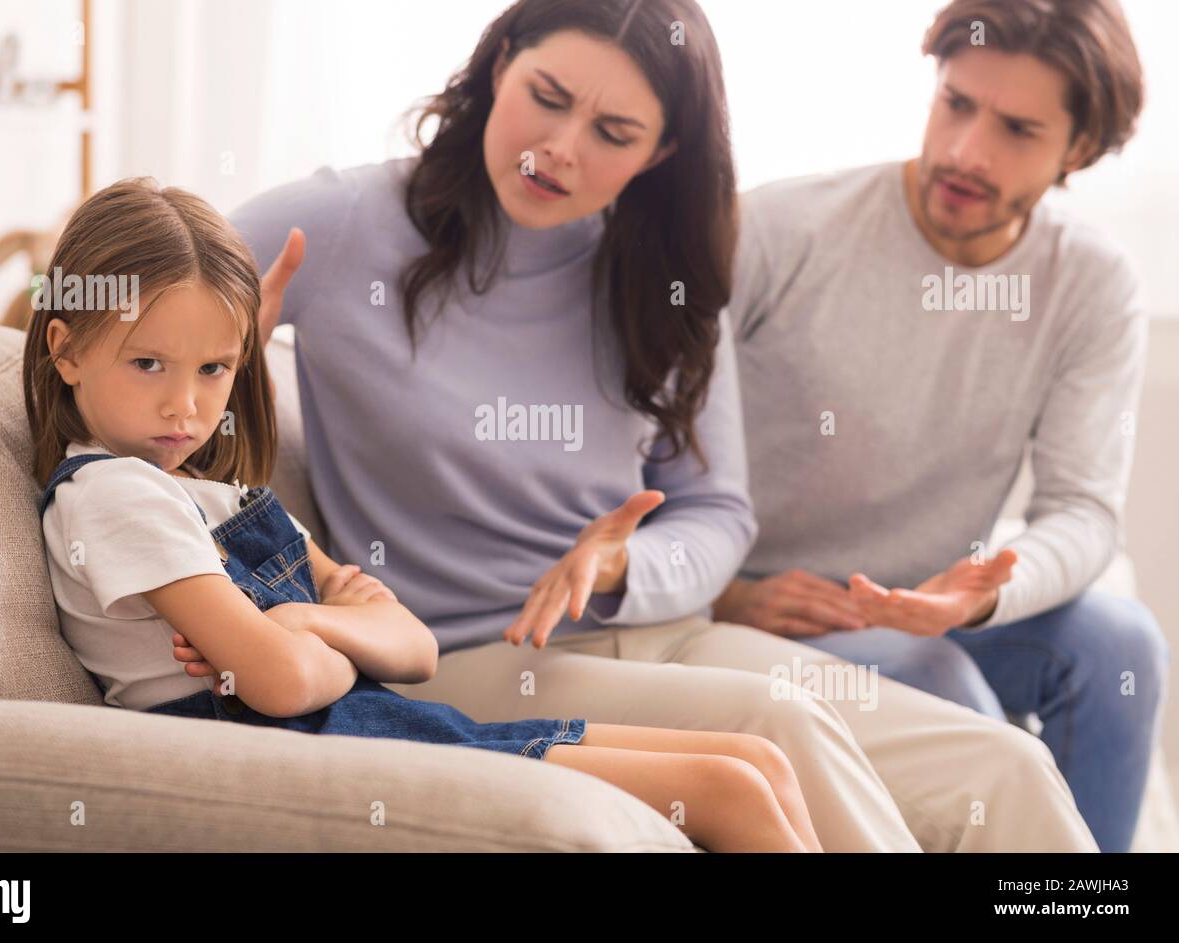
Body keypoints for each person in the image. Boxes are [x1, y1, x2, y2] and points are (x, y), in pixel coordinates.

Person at [231, 0, 1096, 851]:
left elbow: (718, 513)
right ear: (501, 66)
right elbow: (135, 298)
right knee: (776, 719)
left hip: (669, 634)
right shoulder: (343, 223)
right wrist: (218, 354)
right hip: (472, 653)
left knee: (1004, 764)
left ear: (661, 150)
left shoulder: (663, 276)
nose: (559, 149)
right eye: (547, 94)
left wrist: (622, 565)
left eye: (613, 133)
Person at [23, 177, 834, 853]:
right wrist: (322, 626)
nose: (186, 403)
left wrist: (300, 621)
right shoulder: (113, 494)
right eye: (148, 363)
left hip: (376, 720)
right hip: (304, 757)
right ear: (65, 350)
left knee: (755, 756)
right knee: (728, 786)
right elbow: (277, 681)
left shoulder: (220, 499)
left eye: (213, 369)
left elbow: (412, 648)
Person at [712, 0, 1166, 852]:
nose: (965, 153)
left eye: (1018, 130)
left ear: (1078, 149)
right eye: (957, 104)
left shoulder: (1092, 283)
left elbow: (1083, 509)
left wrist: (992, 587)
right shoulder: (779, 228)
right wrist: (723, 592)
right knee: (938, 678)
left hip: (928, 604)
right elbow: (638, 438)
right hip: (769, 606)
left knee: (1119, 645)